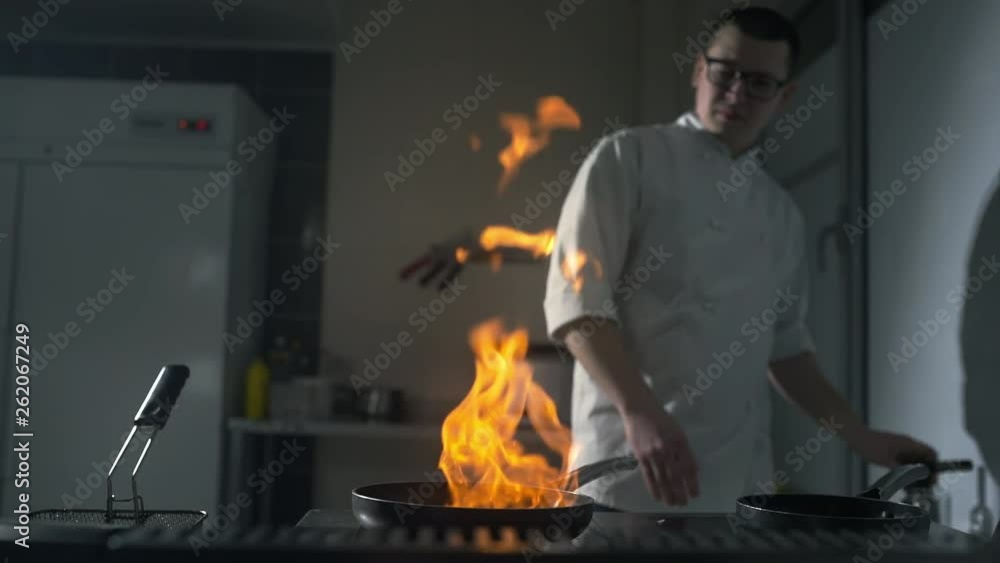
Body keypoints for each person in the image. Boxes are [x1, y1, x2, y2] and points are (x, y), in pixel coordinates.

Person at [542, 6, 938, 512]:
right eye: (724, 73)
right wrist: (639, 411)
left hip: (735, 485)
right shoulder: (627, 159)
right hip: (627, 469)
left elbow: (787, 350)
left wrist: (863, 438)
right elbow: (577, 305)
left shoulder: (779, 212)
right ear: (698, 70)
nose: (735, 95)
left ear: (785, 95)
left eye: (759, 84)